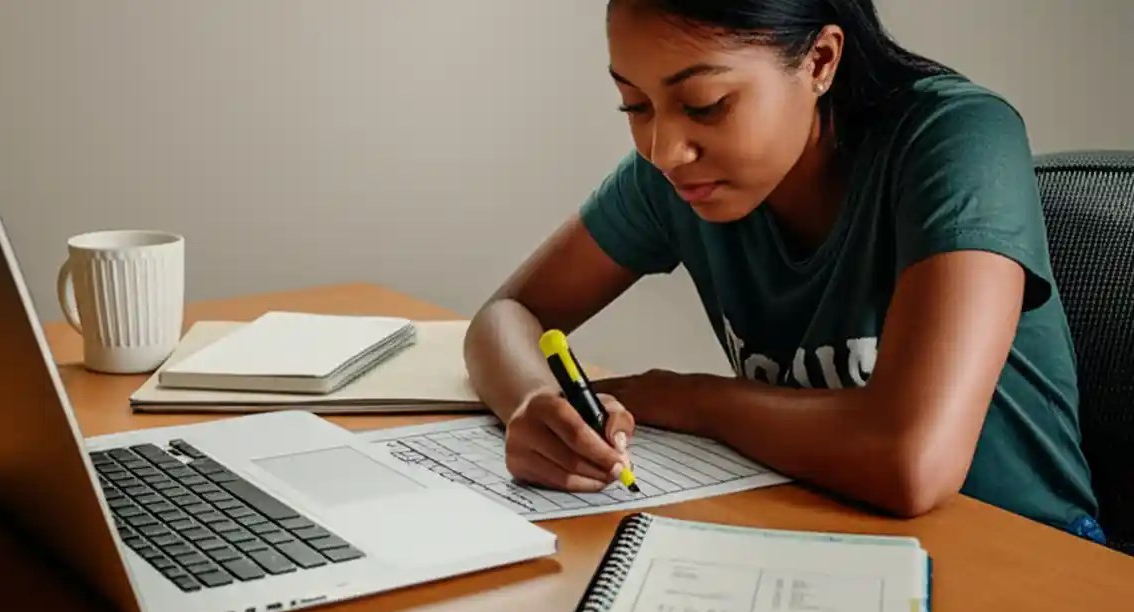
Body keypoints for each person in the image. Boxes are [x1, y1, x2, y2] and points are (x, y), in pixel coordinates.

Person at [462, 0, 1106, 542]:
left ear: (820, 60)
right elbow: (508, 314)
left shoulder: (959, 140)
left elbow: (913, 461)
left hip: (1028, 560)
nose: (664, 149)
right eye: (634, 106)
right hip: (824, 532)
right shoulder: (676, 178)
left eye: (706, 104)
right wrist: (532, 402)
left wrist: (686, 398)